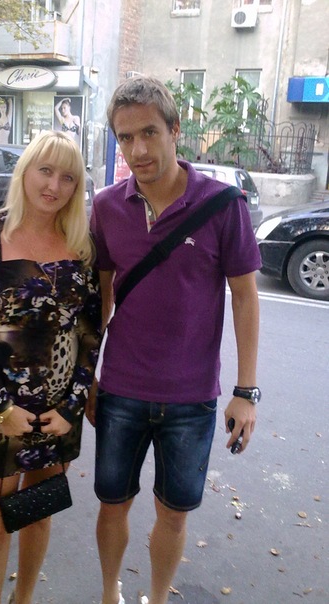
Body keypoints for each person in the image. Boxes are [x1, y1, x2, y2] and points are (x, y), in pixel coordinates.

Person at [87, 75, 261, 604]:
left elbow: (245, 297)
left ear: (174, 131)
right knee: (112, 504)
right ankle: (110, 593)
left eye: (149, 133)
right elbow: (102, 298)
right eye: (125, 137)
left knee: (173, 514)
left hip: (191, 397)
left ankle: (158, 598)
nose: (138, 150)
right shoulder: (107, 207)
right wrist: (86, 376)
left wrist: (246, 391)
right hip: (120, 391)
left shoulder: (222, 204)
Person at [0, 130, 101, 604]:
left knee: (37, 515)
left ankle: (24, 600)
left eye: (68, 177)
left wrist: (72, 408)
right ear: (25, 171)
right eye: (45, 170)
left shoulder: (82, 245)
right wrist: (1, 407)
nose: (54, 185)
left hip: (56, 414)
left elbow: (90, 335)